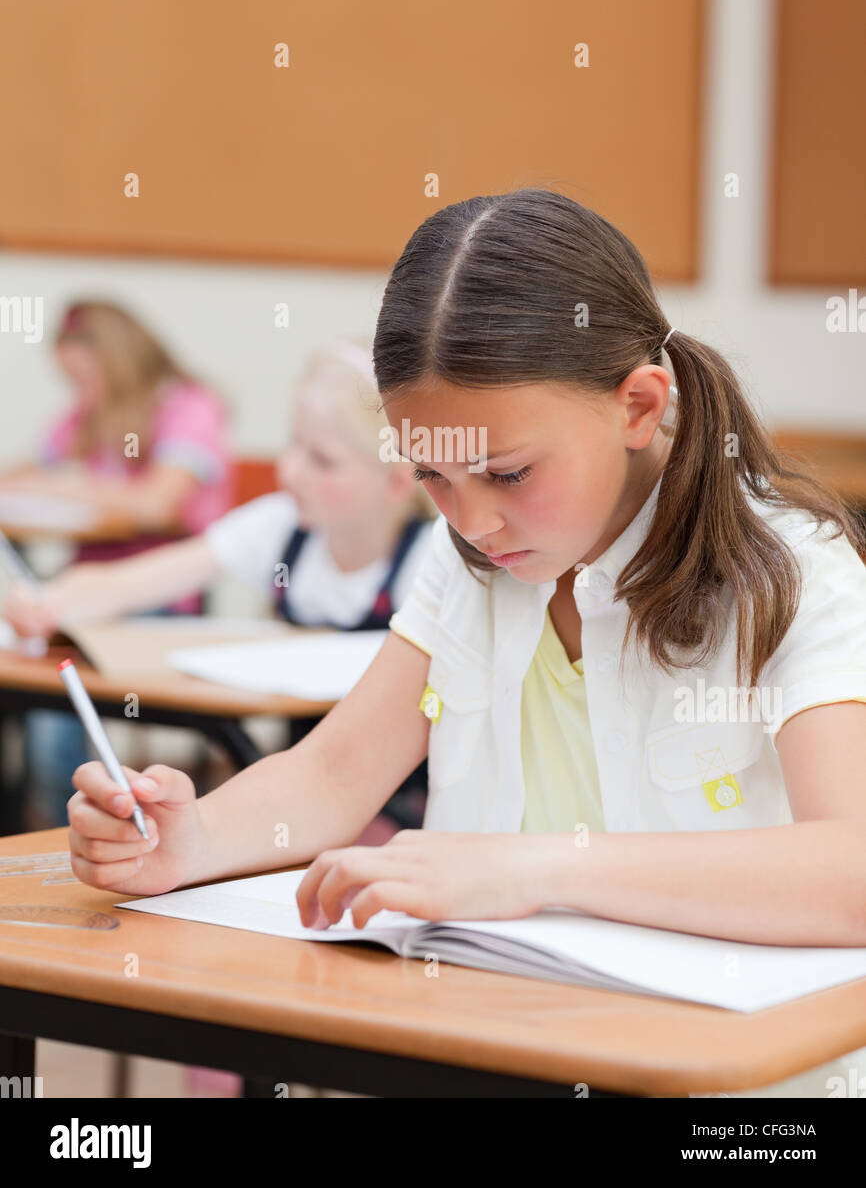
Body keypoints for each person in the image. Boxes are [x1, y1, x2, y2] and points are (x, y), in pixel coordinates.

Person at [63, 190, 866, 1097]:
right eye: (434, 477)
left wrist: (533, 869)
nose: (472, 519)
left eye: (510, 473)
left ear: (639, 406)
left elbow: (851, 871)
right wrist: (192, 837)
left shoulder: (792, 570)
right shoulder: (476, 564)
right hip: (504, 1053)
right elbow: (332, 778)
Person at [4, 337, 435, 832]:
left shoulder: (427, 559)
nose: (290, 470)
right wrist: (52, 601)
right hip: (306, 792)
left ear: (399, 482)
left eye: (323, 460)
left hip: (404, 805)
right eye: (293, 444)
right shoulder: (281, 527)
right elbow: (144, 578)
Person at [0, 300, 232, 826]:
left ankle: (61, 823)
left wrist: (72, 483)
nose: (78, 392)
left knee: (55, 685)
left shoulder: (188, 408)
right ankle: (28, 819)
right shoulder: (83, 419)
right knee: (25, 665)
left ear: (116, 359)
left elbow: (156, 501)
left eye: (84, 376)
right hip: (78, 602)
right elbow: (31, 470)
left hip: (156, 603)